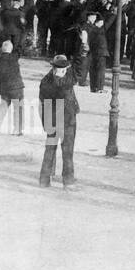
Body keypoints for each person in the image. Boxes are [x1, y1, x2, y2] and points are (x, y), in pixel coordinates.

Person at [38, 55, 78, 190]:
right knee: (68, 152)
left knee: (49, 150)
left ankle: (44, 179)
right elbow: (76, 73)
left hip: (52, 120)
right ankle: (68, 182)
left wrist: (45, 123)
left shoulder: (45, 81)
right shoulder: (67, 82)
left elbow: (42, 103)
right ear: (63, 69)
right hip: (67, 120)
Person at [0, 39, 24, 135]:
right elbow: (19, 50)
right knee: (18, 108)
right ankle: (17, 129)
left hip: (5, 88)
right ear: (11, 49)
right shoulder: (14, 57)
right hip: (17, 88)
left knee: (3, 107)